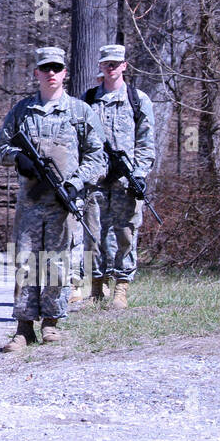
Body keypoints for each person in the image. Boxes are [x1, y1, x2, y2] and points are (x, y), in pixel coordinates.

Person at [0, 46, 105, 351]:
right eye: (46, 69)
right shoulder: (22, 111)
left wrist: (76, 183)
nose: (51, 74)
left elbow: (97, 156)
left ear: (65, 73)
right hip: (30, 203)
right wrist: (19, 159)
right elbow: (2, 147)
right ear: (36, 74)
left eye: (57, 68)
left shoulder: (81, 112)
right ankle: (23, 327)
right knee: (27, 262)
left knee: (57, 264)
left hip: (63, 203)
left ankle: (52, 324)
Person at [81, 44, 156, 309]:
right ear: (100, 66)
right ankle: (96, 286)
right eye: (107, 63)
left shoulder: (138, 99)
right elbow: (78, 139)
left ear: (124, 65)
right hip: (95, 181)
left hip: (126, 181)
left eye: (116, 63)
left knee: (126, 233)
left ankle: (121, 287)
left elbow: (146, 143)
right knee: (93, 233)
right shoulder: (88, 100)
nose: (111, 68)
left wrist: (139, 174)